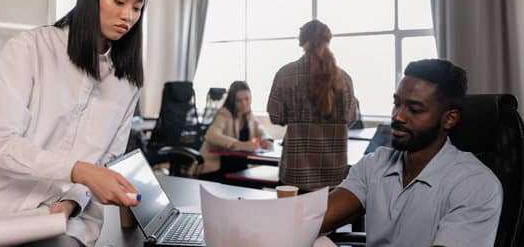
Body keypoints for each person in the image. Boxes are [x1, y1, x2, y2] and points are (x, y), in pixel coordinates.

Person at [0, 0, 148, 247]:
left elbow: (105, 163)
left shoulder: (127, 84)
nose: (128, 16)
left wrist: (72, 202)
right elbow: (2, 145)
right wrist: (79, 171)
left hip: (63, 221)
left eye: (137, 7)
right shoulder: (29, 49)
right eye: (119, 1)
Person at [320, 59, 503, 247]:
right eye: (396, 103)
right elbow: (316, 218)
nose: (398, 116)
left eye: (415, 109)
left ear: (449, 119)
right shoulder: (374, 163)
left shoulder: (475, 185)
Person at [267, 19, 357, 192]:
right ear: (328, 40)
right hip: (334, 177)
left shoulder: (285, 74)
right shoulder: (344, 79)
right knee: (331, 219)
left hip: (295, 175)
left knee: (294, 219)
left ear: (302, 42)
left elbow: (275, 117)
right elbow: (351, 119)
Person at [199, 81, 273, 177]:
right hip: (218, 166)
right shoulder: (224, 114)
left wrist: (265, 139)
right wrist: (241, 145)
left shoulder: (248, 115)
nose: (244, 104)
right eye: (239, 100)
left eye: (247, 99)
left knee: (257, 183)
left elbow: (260, 130)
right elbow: (211, 135)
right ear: (232, 101)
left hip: (238, 165)